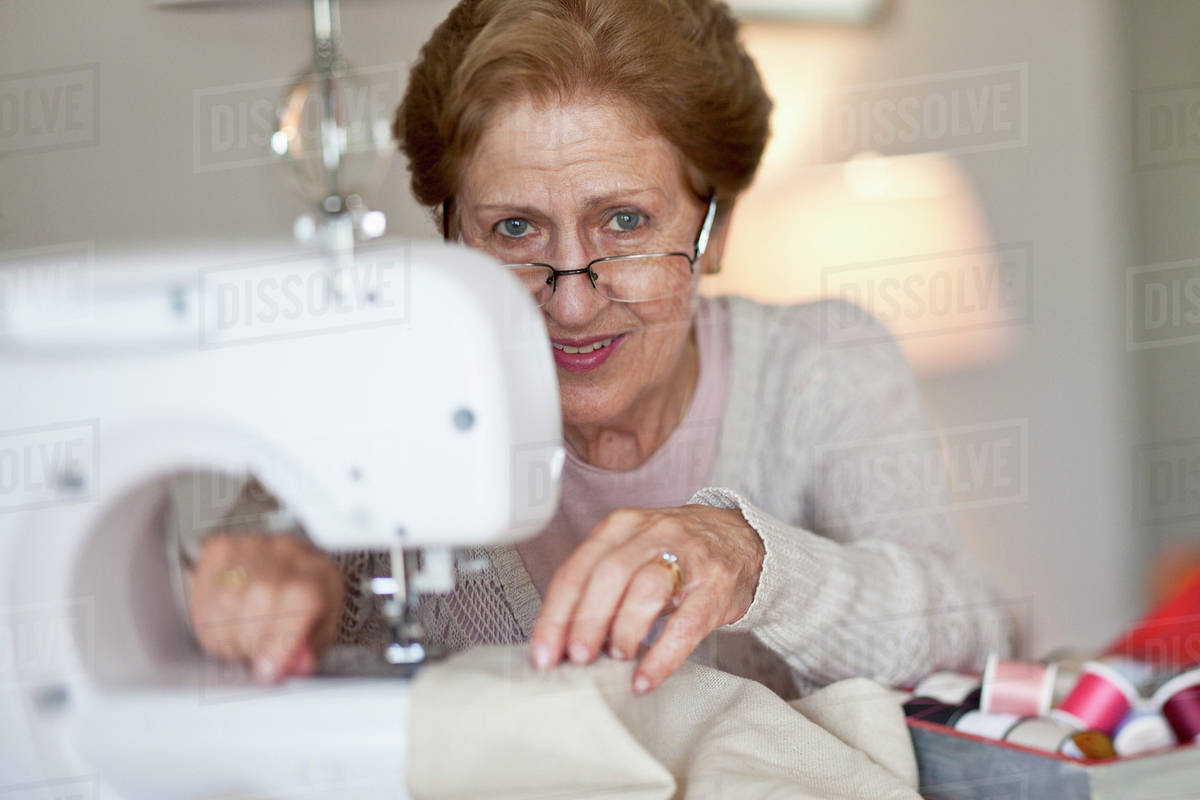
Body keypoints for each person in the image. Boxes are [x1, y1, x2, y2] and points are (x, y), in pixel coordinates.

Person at [176, 0, 1010, 698]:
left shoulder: (822, 363)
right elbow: (251, 567)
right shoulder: (381, 398)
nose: (572, 301)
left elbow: (968, 632)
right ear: (450, 237)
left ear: (714, 231)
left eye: (626, 222)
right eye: (513, 228)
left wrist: (748, 559)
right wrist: (262, 583)